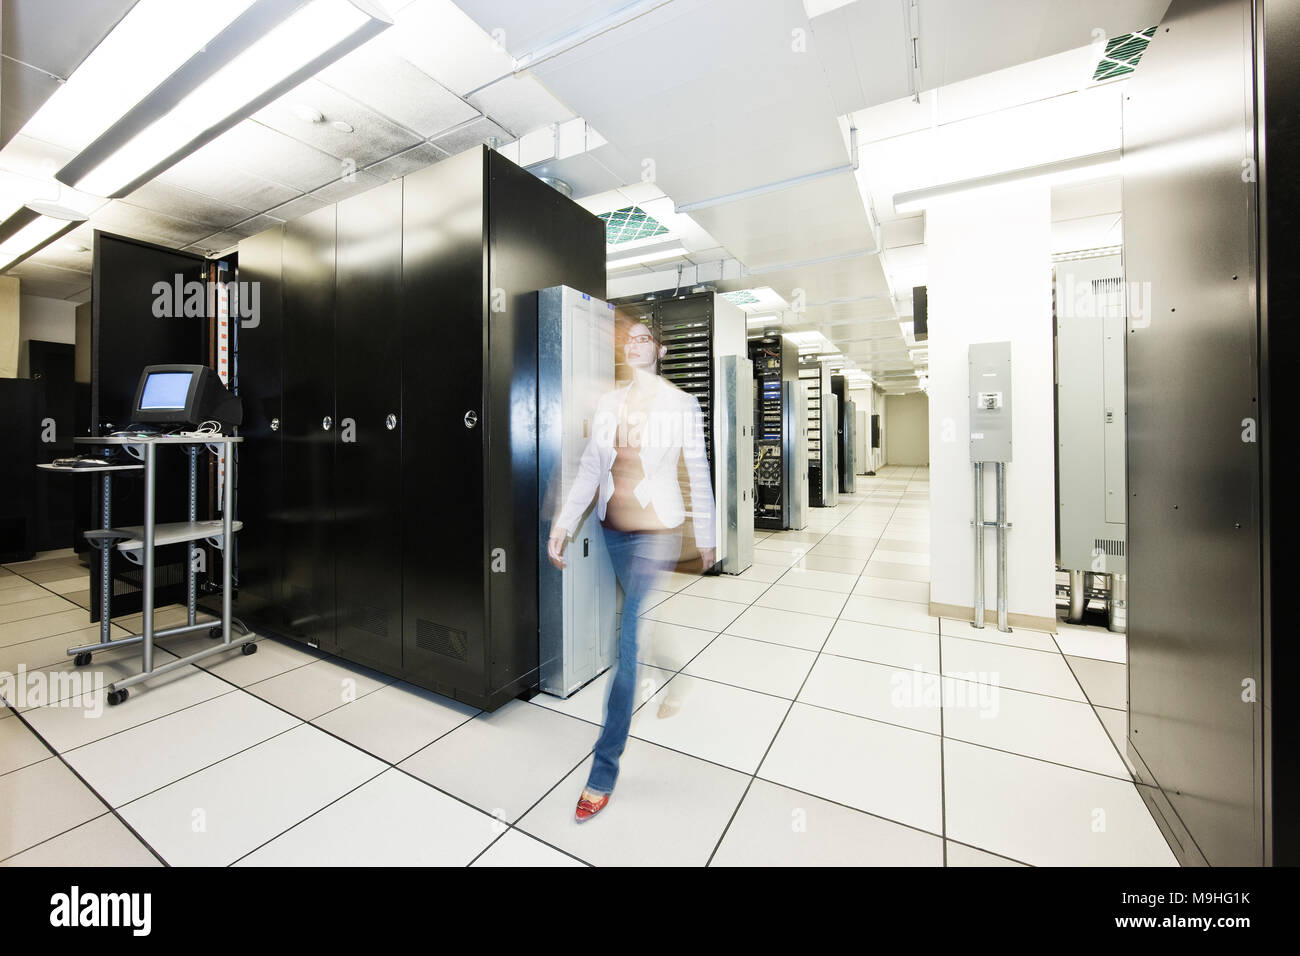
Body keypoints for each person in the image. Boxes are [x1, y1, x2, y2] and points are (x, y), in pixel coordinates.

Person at [547, 320, 715, 823]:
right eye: (631, 338)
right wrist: (562, 524)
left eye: (646, 338)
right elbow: (591, 471)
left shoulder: (680, 404)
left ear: (659, 350)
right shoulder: (609, 403)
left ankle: (604, 769)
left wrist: (706, 534)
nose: (636, 344)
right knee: (635, 621)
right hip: (613, 530)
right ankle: (678, 674)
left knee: (626, 642)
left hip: (656, 530)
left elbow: (698, 466)